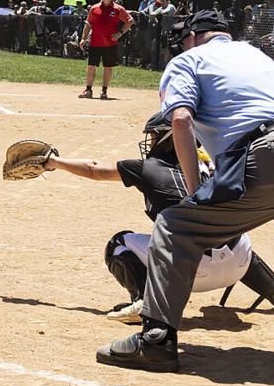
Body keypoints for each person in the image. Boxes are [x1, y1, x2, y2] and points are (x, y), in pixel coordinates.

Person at [97, 10, 274, 372]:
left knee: (176, 227)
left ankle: (156, 341)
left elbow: (180, 119)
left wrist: (194, 193)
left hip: (262, 157)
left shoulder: (188, 60)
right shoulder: (257, 56)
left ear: (193, 36)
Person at [37, 111, 273, 322]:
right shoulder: (214, 160)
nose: (150, 142)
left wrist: (53, 162)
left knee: (118, 243)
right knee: (228, 229)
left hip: (192, 271)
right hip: (240, 264)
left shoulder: (147, 167)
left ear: (167, 138)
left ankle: (142, 302)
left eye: (153, 136)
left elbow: (94, 169)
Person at [79, 0, 132, 99]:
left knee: (108, 67)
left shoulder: (118, 9)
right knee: (91, 66)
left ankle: (104, 91)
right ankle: (88, 90)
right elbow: (88, 24)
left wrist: (120, 33)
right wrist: (83, 38)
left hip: (110, 44)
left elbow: (129, 21)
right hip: (95, 43)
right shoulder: (94, 8)